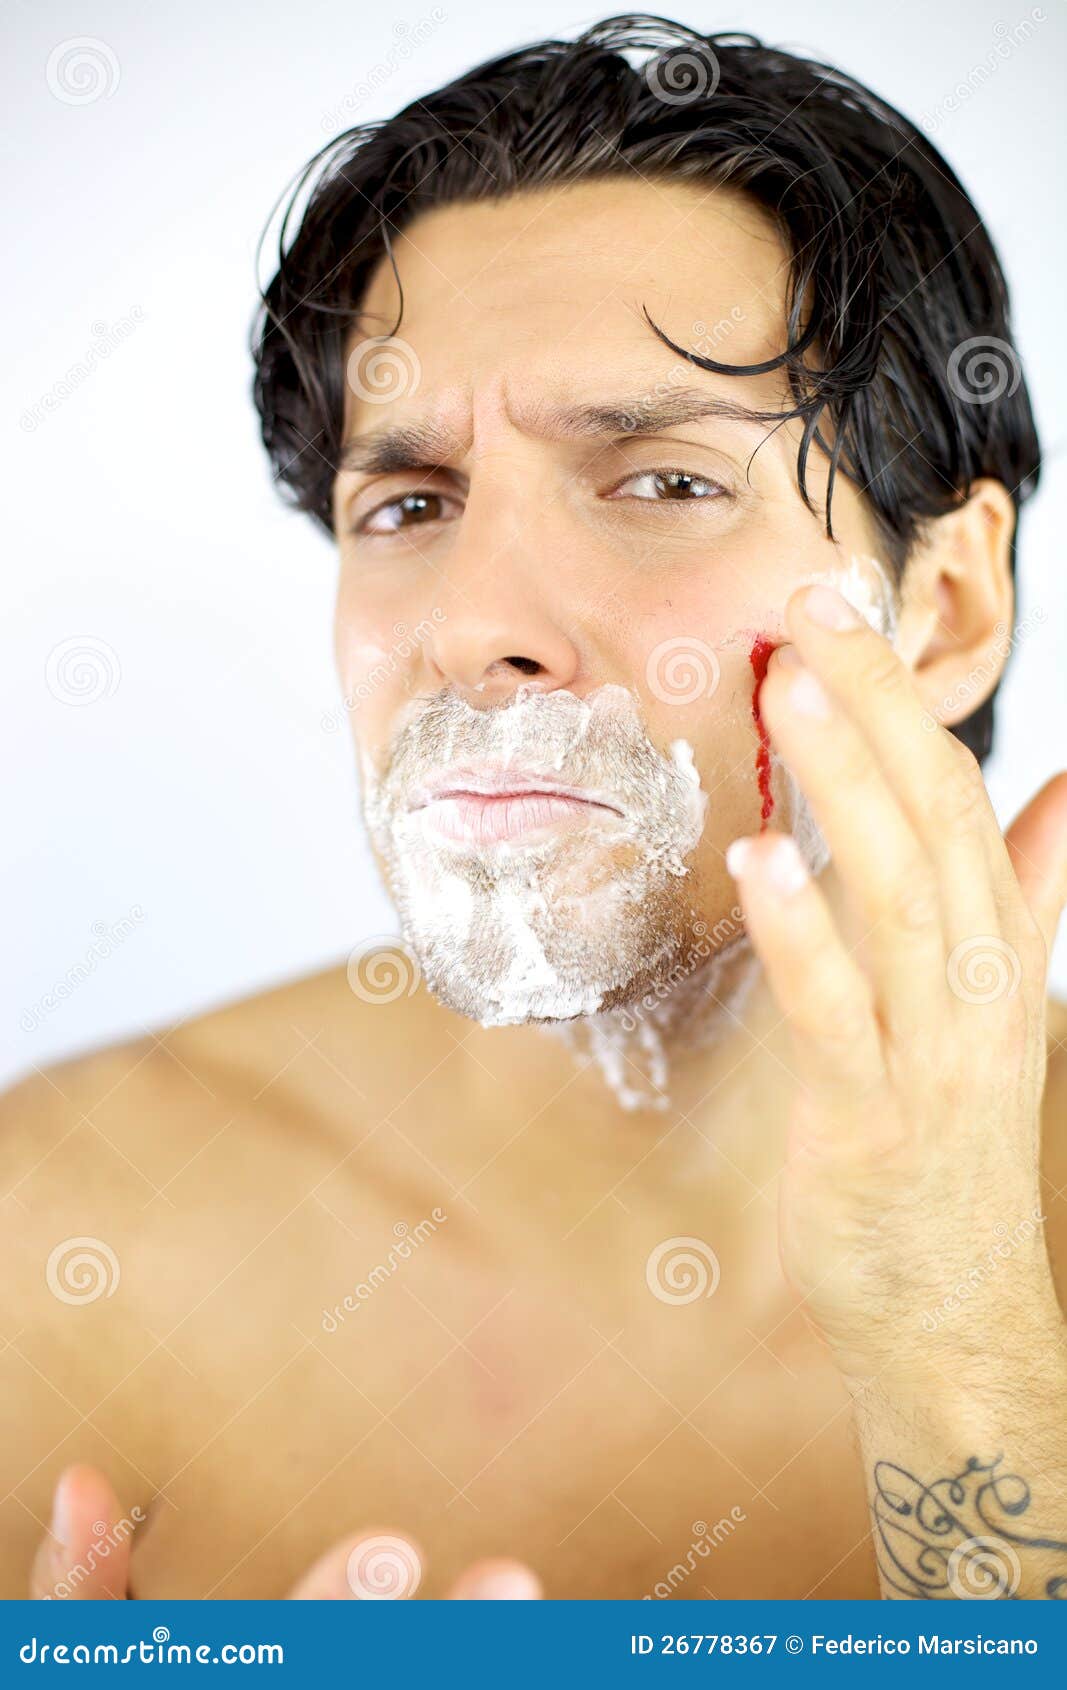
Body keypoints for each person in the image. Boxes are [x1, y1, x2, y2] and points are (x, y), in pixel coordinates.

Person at [6, 16, 1067, 1601]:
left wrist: (960, 1323)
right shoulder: (56, 1238)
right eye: (412, 503)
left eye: (661, 480)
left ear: (950, 607)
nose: (472, 622)